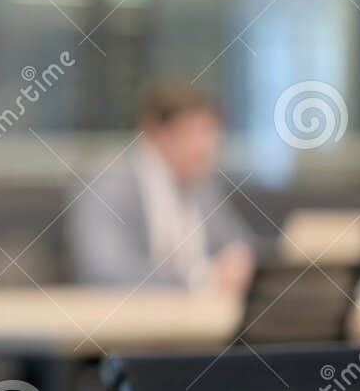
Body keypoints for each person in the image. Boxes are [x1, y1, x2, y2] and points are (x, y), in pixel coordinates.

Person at [68, 80, 255, 291]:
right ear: (154, 133)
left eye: (210, 132)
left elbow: (238, 246)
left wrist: (236, 265)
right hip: (128, 319)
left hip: (197, 317)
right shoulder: (107, 183)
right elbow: (105, 272)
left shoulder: (202, 187)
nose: (205, 146)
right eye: (191, 132)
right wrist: (198, 280)